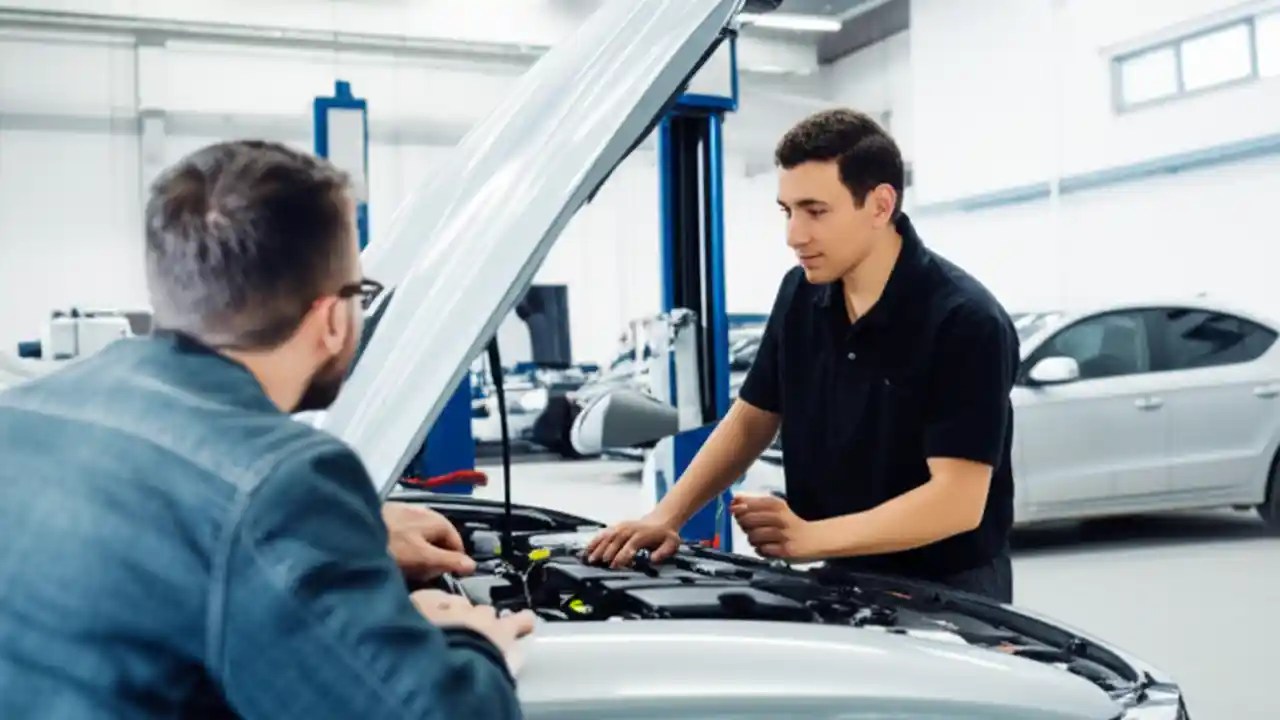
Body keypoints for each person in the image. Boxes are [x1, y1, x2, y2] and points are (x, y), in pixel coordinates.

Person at [0, 140, 532, 718]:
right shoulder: (285, 480)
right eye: (360, 293)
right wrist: (468, 639)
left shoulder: (25, 417)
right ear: (331, 318)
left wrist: (349, 537)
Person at [586, 109, 1020, 603]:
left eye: (815, 211)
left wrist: (808, 537)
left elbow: (956, 502)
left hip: (950, 593)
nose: (794, 235)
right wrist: (667, 516)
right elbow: (753, 417)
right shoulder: (801, 293)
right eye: (786, 211)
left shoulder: (964, 320)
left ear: (880, 205)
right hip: (840, 572)